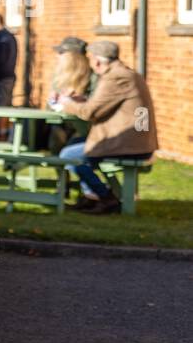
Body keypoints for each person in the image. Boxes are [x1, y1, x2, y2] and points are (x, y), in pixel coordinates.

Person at [53, 41, 158, 215]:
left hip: (131, 144)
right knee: (75, 143)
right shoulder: (127, 74)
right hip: (134, 140)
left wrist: (66, 103)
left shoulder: (115, 77)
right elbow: (101, 106)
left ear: (97, 61)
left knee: (69, 155)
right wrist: (79, 101)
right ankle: (91, 196)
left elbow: (89, 112)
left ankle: (105, 198)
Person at [45, 36, 91, 153]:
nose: (57, 56)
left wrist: (78, 99)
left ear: (72, 57)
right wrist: (53, 100)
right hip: (60, 124)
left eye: (61, 52)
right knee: (55, 136)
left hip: (84, 128)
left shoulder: (92, 77)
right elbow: (50, 107)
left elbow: (96, 106)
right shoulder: (58, 77)